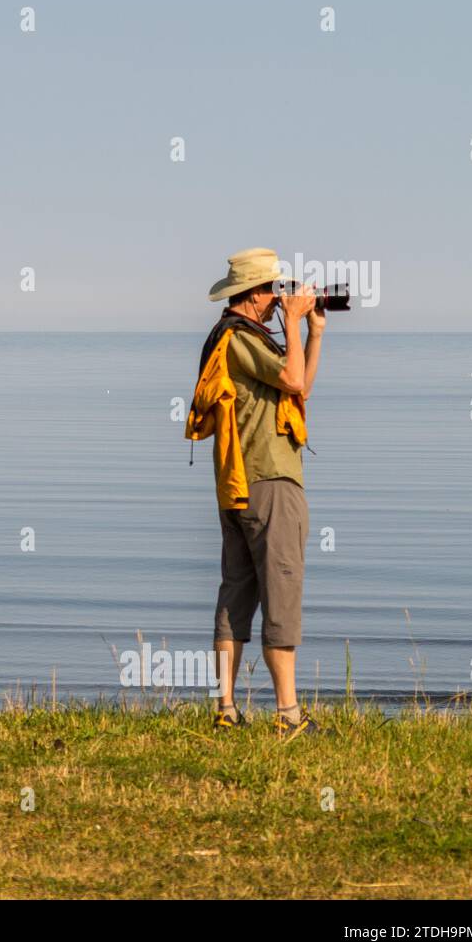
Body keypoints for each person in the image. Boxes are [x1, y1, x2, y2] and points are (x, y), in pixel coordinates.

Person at [185, 248, 326, 739]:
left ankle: (226, 707)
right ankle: (288, 715)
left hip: (238, 486)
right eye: (274, 291)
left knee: (237, 592)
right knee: (281, 591)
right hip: (268, 482)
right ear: (252, 294)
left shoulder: (240, 338)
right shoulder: (240, 338)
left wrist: (315, 333)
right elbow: (290, 377)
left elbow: (299, 387)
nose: (278, 300)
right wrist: (292, 323)